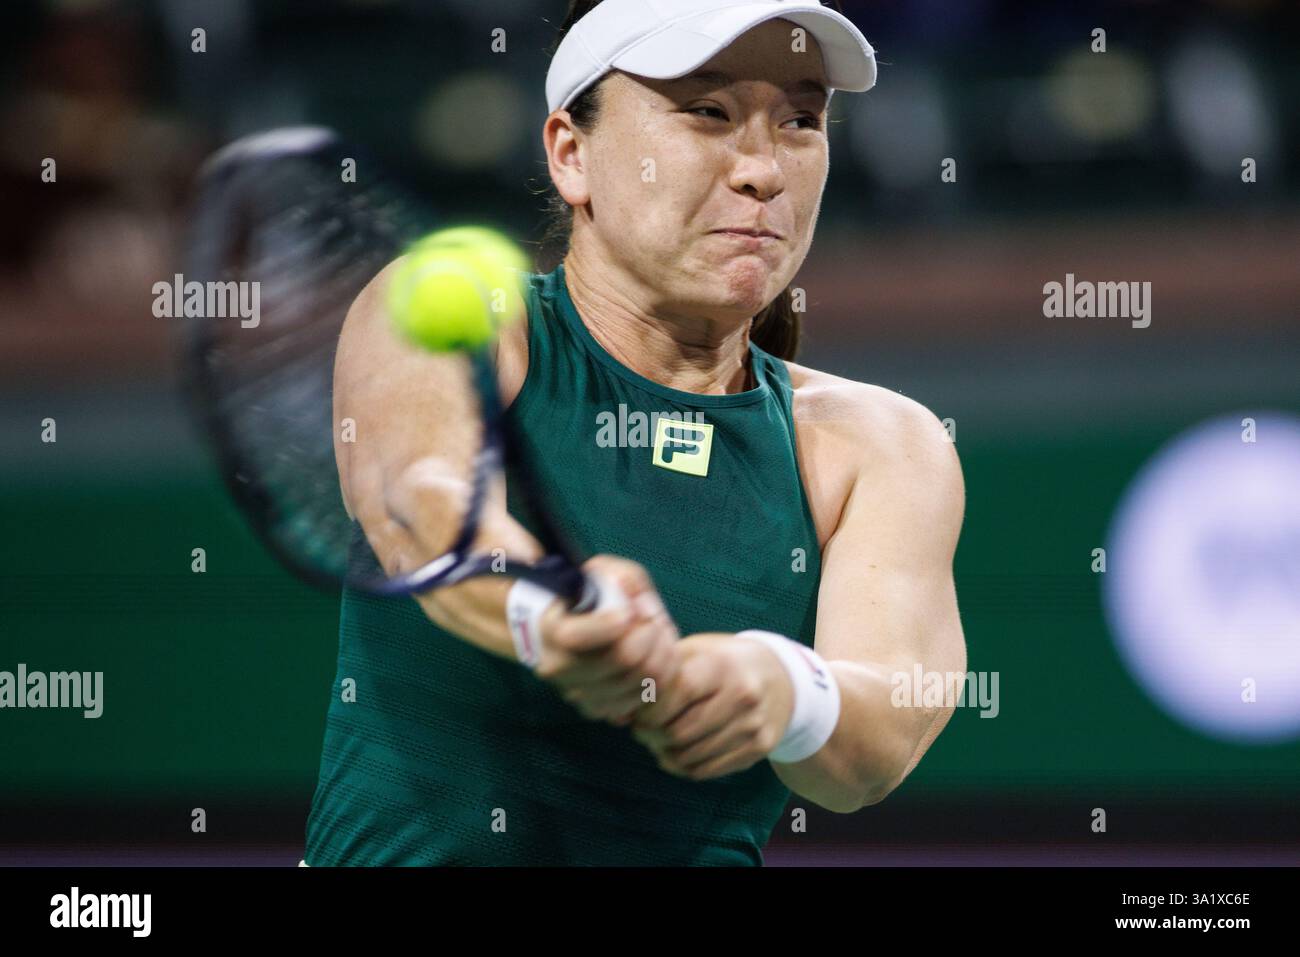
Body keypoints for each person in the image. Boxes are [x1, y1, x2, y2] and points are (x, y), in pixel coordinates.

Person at [304, 0, 967, 866]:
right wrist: (549, 613)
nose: (764, 169)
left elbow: (879, 738)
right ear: (571, 155)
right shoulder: (458, 309)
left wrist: (777, 686)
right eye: (708, 112)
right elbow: (425, 510)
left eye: (801, 120)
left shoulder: (884, 444)